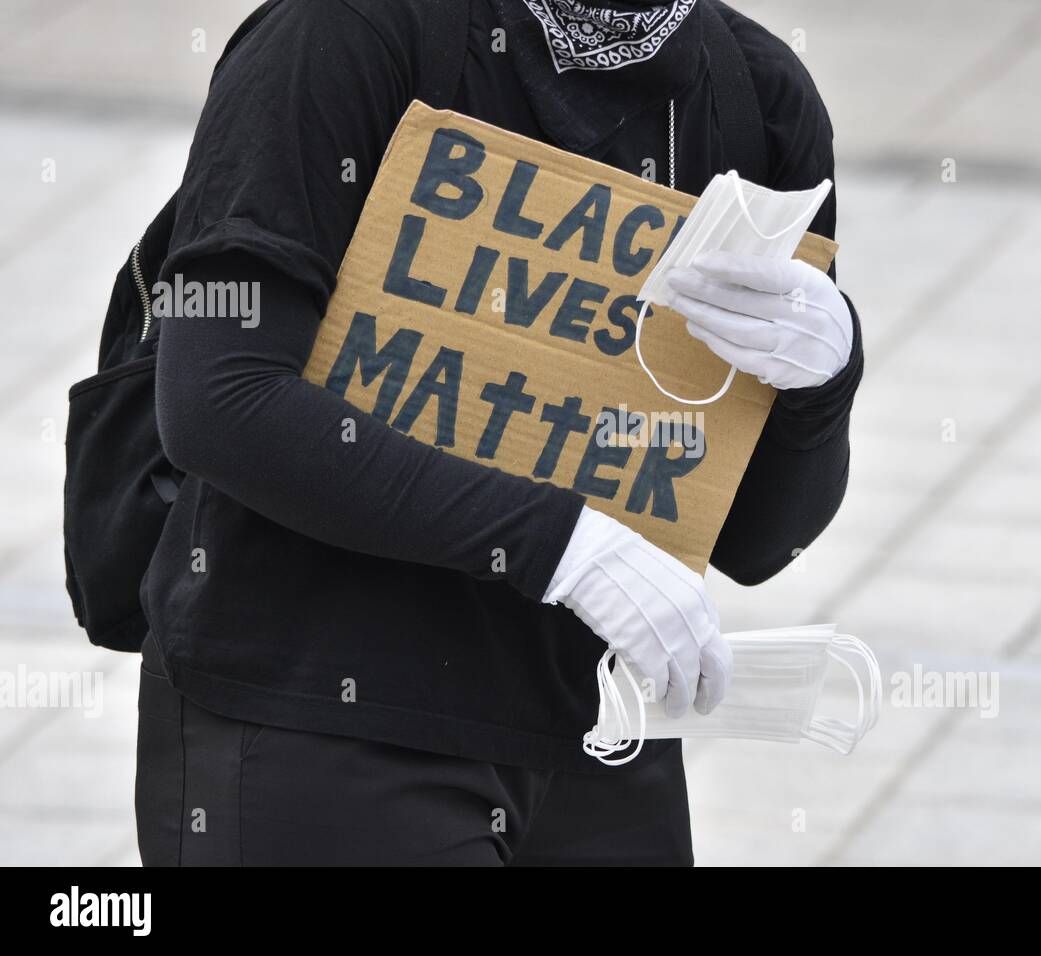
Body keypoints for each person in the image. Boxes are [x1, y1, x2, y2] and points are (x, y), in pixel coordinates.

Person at [135, 0, 863, 866]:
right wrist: (564, 547)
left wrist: (822, 381)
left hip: (595, 737)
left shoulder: (758, 96)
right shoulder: (346, 31)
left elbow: (751, 539)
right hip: (320, 712)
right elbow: (221, 399)